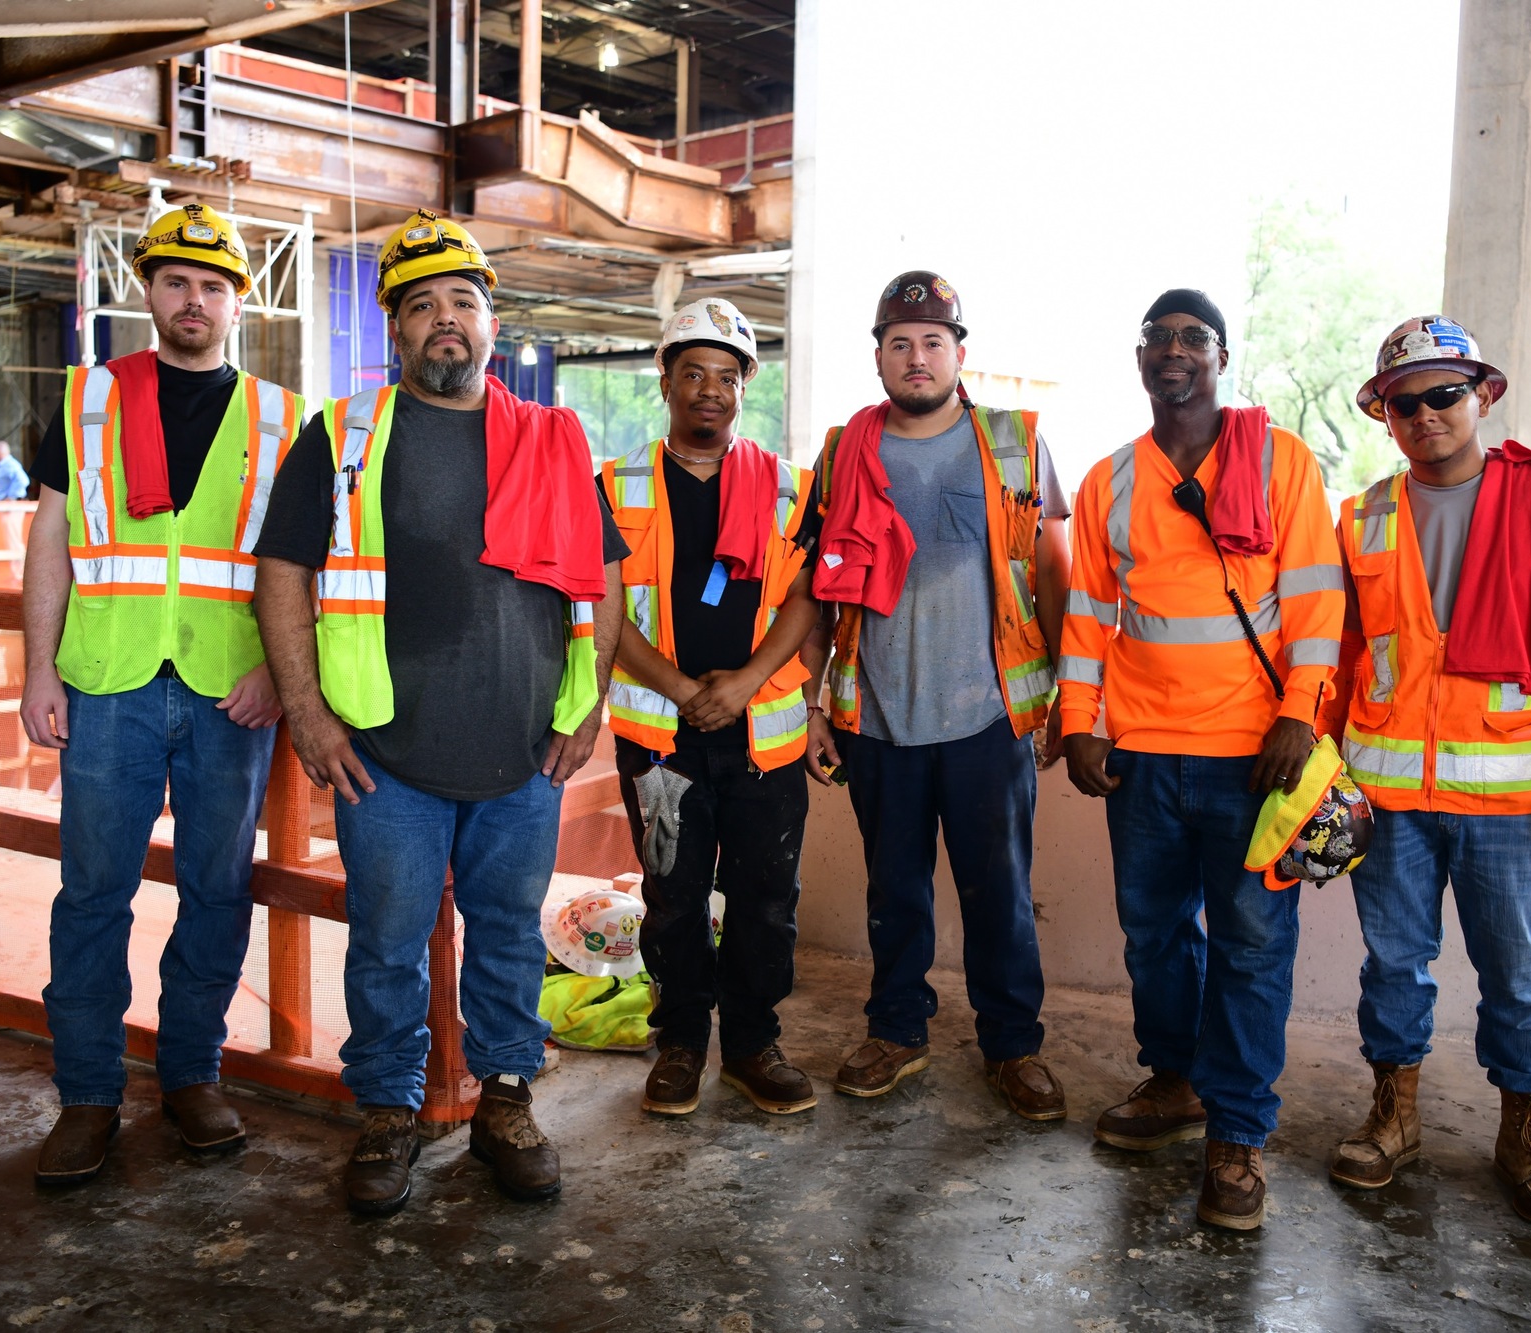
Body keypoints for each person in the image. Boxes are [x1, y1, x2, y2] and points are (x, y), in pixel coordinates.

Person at [253, 209, 625, 1217]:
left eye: (461, 301)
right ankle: (387, 1111)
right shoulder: (343, 436)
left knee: (506, 933)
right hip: (385, 754)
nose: (444, 320)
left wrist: (585, 706)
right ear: (395, 331)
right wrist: (307, 712)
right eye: (421, 306)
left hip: (522, 754)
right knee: (385, 937)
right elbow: (282, 572)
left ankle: (504, 1100)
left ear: (491, 322)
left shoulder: (552, 438)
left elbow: (607, 581)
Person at [1321, 317, 1531, 1228]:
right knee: (1394, 967)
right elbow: (1343, 651)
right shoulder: (1364, 517)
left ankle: (1525, 1131)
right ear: (1385, 416)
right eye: (1403, 402)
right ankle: (1394, 1117)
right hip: (1388, 800)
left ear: (1483, 395)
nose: (1425, 415)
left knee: (1517, 973)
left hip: (1505, 803)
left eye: (1443, 394)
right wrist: (1325, 767)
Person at [18, 203, 304, 1186]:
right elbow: (49, 541)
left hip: (233, 692)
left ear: (239, 303)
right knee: (93, 893)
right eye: (177, 281)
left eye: (214, 285)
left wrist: (280, 666)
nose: (195, 299)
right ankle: (87, 1096)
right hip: (110, 685)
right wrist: (36, 665)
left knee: (217, 891)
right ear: (148, 292)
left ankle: (192, 1074)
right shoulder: (86, 400)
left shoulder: (279, 416)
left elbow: (294, 562)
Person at [1060, 289, 1346, 1230]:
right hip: (1141, 758)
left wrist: (1299, 714)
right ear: (1141, 360)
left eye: (1194, 338)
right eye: (1160, 339)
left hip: (1253, 760)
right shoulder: (1110, 480)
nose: (1175, 352)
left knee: (1254, 948)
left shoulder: (1280, 463)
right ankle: (1175, 1080)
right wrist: (1078, 723)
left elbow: (1314, 602)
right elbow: (1091, 617)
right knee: (1154, 937)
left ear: (1221, 357)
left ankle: (1239, 1135)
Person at [800, 271, 1072, 1122]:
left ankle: (1013, 1044)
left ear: (961, 352)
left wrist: (1067, 693)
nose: (916, 358)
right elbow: (813, 586)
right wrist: (818, 707)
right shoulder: (845, 450)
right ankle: (897, 1030)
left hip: (988, 715)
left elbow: (1054, 571)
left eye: (932, 342)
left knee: (1000, 889)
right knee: (896, 888)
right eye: (898, 343)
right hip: (877, 714)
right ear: (877, 355)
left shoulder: (1013, 443)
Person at [603, 298, 822, 1118]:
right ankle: (683, 1041)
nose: (710, 390)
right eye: (692, 372)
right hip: (662, 736)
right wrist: (681, 688)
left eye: (726, 377)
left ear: (745, 390)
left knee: (768, 898)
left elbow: (807, 596)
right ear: (664, 381)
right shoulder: (617, 484)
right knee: (674, 896)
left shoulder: (788, 490)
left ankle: (754, 1042)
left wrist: (744, 679)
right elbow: (604, 609)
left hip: (763, 735)